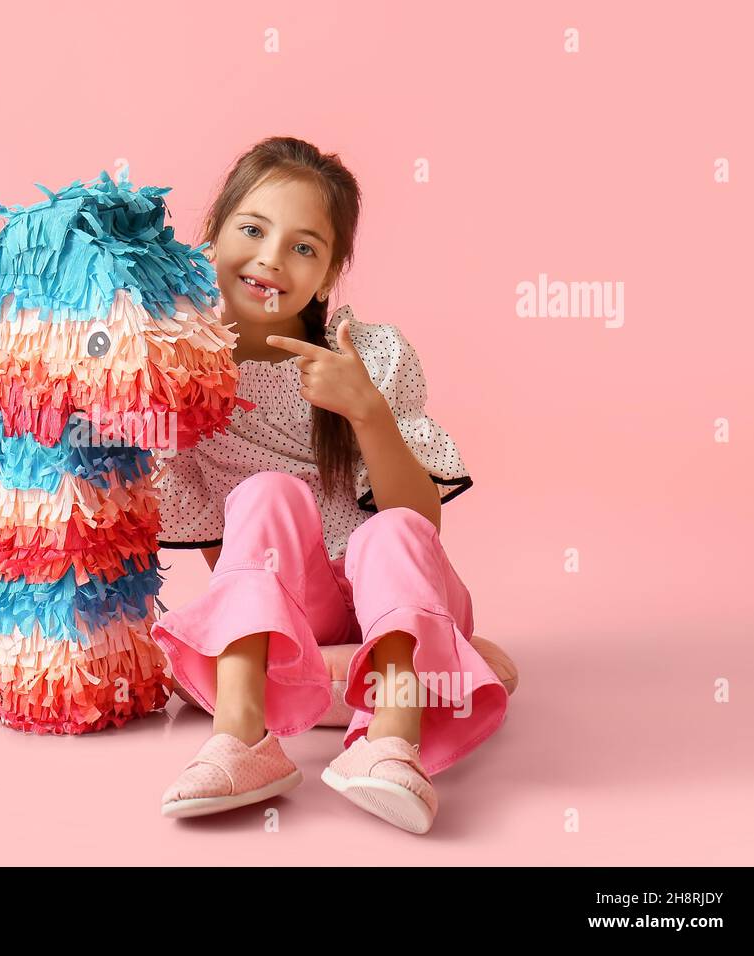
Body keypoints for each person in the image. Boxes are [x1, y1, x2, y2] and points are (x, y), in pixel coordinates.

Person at [151, 136, 509, 834]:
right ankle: (242, 741)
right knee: (264, 491)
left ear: (328, 274)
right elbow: (230, 566)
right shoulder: (183, 380)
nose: (270, 260)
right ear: (211, 235)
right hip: (301, 610)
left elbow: (422, 522)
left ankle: (391, 744)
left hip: (403, 598)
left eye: (303, 247)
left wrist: (366, 410)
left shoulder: (364, 354)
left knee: (389, 530)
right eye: (252, 230)